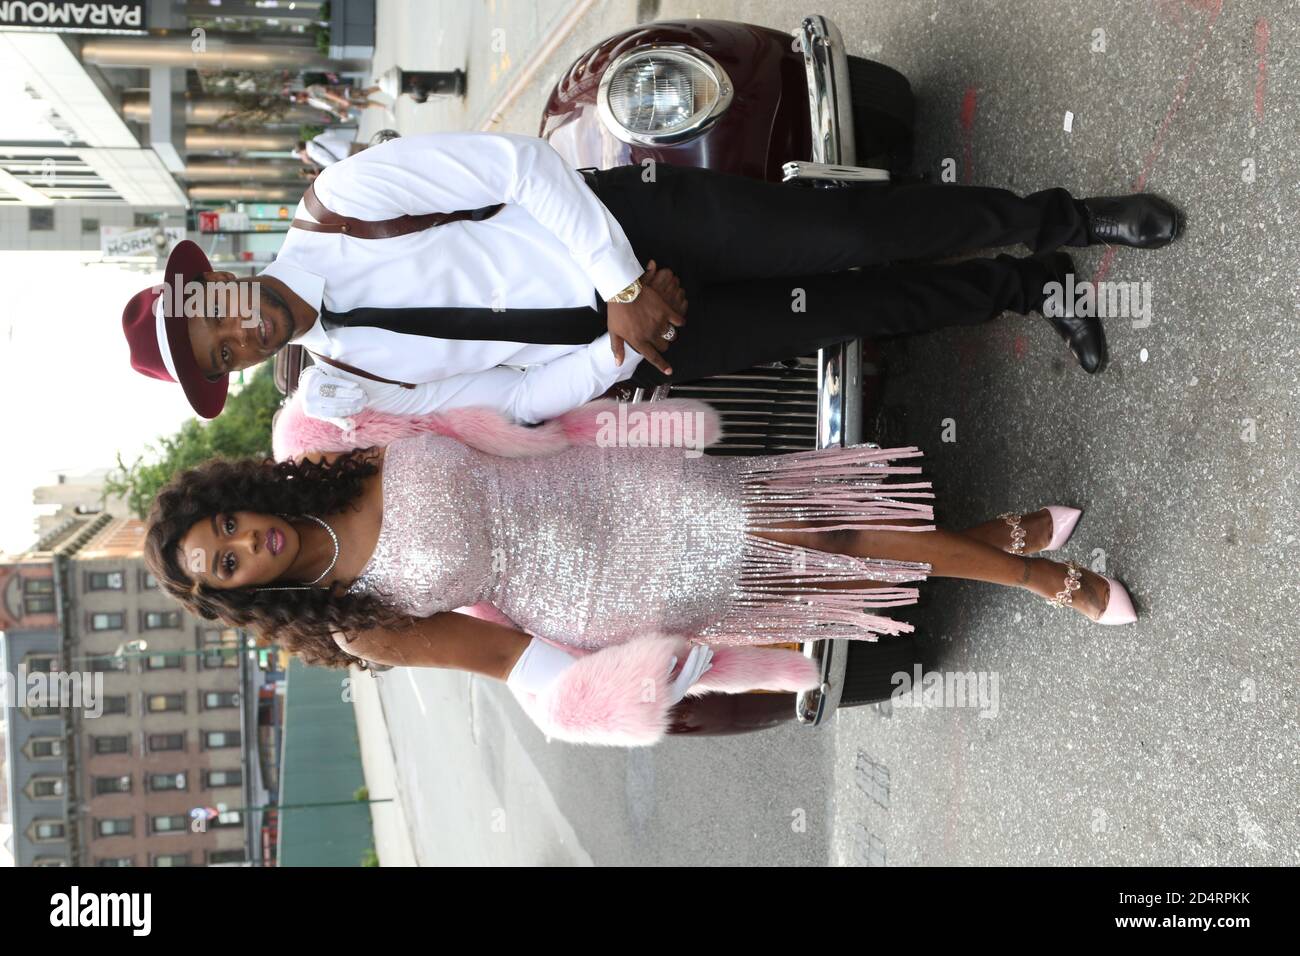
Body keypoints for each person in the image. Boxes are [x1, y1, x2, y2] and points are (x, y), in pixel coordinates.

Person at [143, 408, 1135, 746]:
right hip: (595, 584)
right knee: (822, 554)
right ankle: (1040, 575)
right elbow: (507, 656)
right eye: (226, 563)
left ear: (237, 494)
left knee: (825, 529)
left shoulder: (345, 450)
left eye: (228, 522)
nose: (247, 542)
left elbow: (487, 410)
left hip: (611, 480)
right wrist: (627, 682)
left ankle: (1003, 541)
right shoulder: (358, 624)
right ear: (239, 593)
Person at [120, 131, 1181, 424]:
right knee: (860, 309)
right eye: (227, 359)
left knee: (853, 226)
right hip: (636, 341)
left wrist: (621, 280)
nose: (244, 339)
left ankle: (1070, 217)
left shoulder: (343, 198)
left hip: (633, 227)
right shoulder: (352, 378)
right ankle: (1032, 285)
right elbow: (507, 398)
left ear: (211, 277)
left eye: (216, 322)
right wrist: (613, 345)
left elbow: (518, 166)